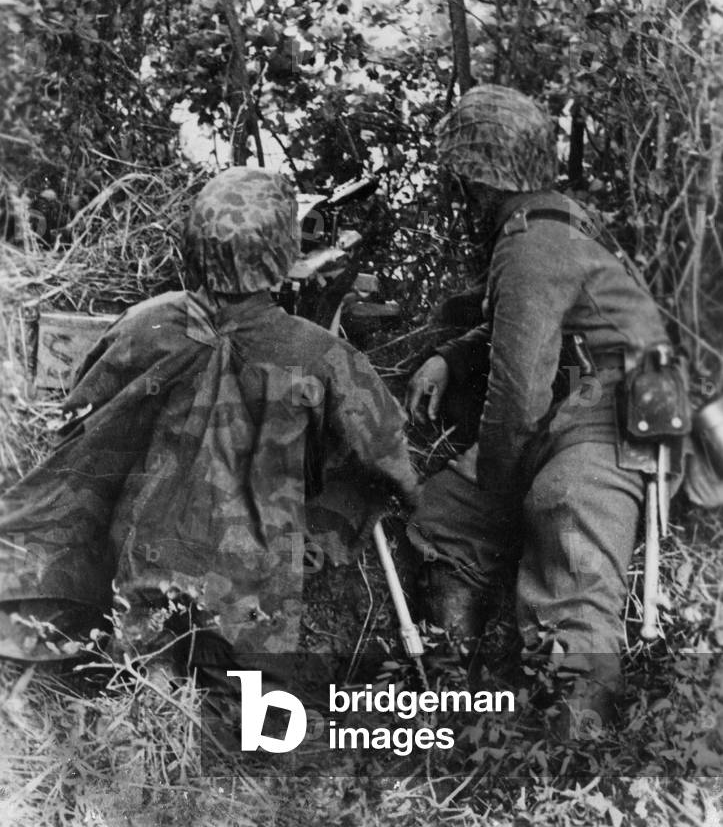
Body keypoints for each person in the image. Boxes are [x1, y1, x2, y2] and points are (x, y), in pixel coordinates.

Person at [0, 168, 419, 683]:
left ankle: (146, 683)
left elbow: (79, 425)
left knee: (145, 673)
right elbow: (389, 460)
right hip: (248, 602)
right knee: (236, 704)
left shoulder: (145, 323)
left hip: (137, 574)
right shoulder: (324, 356)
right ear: (283, 252)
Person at [406, 84, 679, 726]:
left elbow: (519, 393)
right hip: (593, 394)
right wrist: (454, 356)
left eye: (462, 181)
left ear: (477, 181)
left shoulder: (530, 242)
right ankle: (453, 685)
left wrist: (499, 480)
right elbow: (525, 325)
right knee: (445, 515)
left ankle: (575, 734)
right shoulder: (551, 224)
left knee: (561, 508)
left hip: (626, 403)